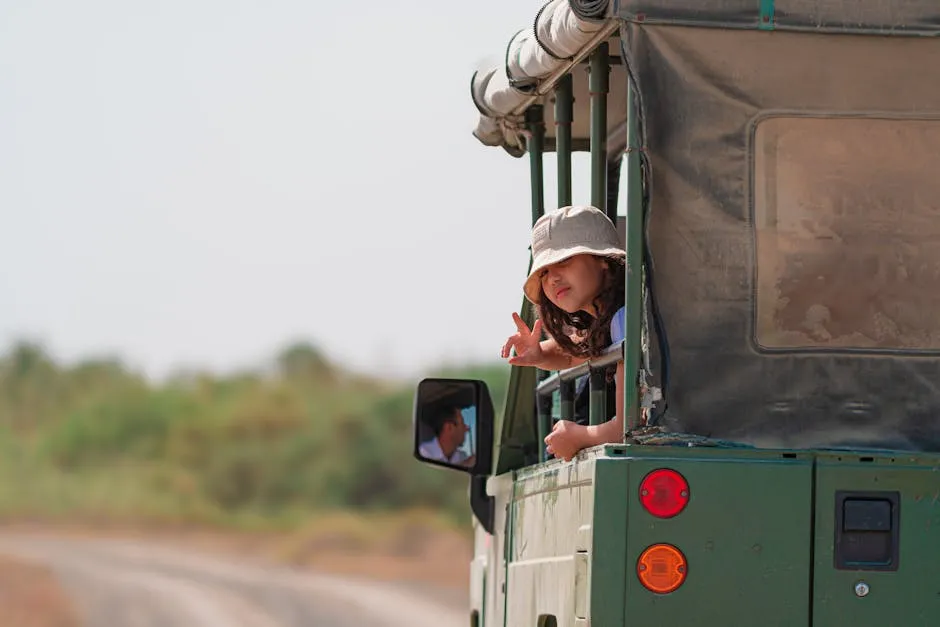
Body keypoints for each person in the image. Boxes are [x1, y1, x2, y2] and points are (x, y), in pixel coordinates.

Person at [500, 205, 626, 462]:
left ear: (603, 260)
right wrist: (538, 353)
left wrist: (578, 436)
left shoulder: (625, 319)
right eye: (544, 272)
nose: (553, 278)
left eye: (564, 261)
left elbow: (627, 427)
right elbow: (572, 355)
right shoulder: (608, 321)